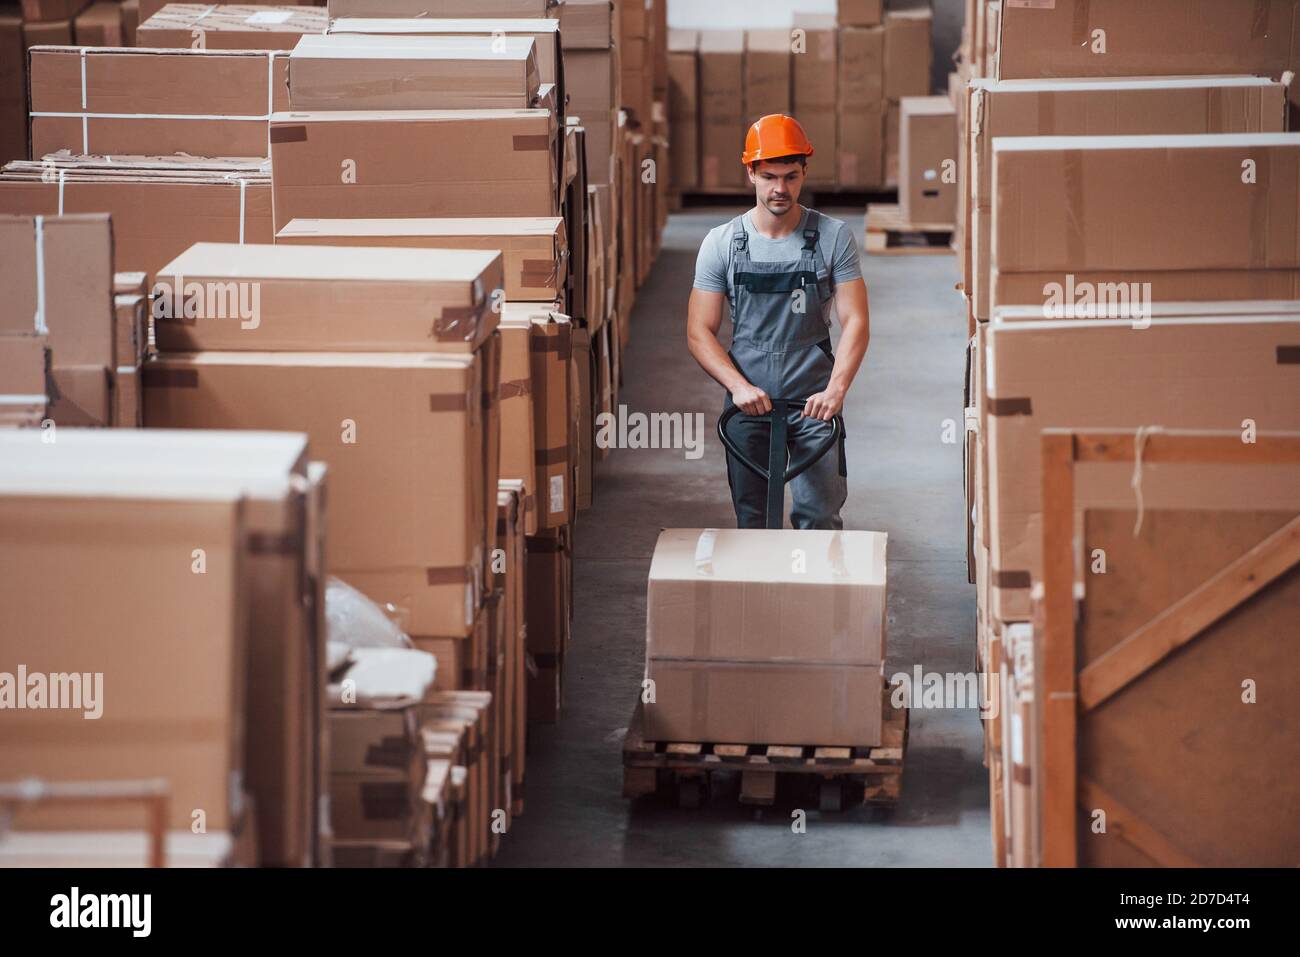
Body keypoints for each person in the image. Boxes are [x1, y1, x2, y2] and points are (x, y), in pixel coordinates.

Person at [687, 114, 871, 529]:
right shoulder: (722, 243)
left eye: (790, 176)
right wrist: (737, 387)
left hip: (814, 403)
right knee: (754, 520)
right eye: (769, 176)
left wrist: (836, 391)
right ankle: (763, 595)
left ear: (805, 169)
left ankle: (819, 593)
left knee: (819, 516)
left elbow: (856, 319)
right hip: (748, 402)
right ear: (750, 171)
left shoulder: (832, 236)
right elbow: (699, 331)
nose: (780, 189)